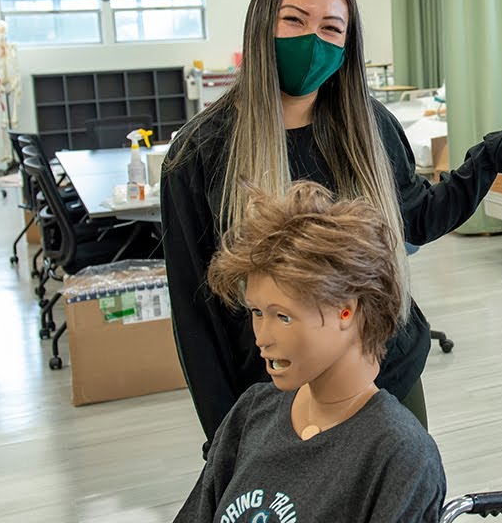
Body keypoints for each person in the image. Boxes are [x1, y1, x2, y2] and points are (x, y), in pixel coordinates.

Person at [162, 0, 502, 447]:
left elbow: (418, 218)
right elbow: (196, 316)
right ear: (260, 24)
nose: (312, 41)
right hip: (274, 395)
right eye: (294, 20)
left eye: (331, 28)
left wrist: (496, 154)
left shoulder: (368, 127)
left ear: (348, 43)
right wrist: (225, 437)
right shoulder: (201, 152)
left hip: (385, 375)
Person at [176, 182, 446, 523]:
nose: (262, 338)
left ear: (345, 311)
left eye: (282, 317)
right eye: (257, 313)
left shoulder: (398, 454)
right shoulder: (252, 413)